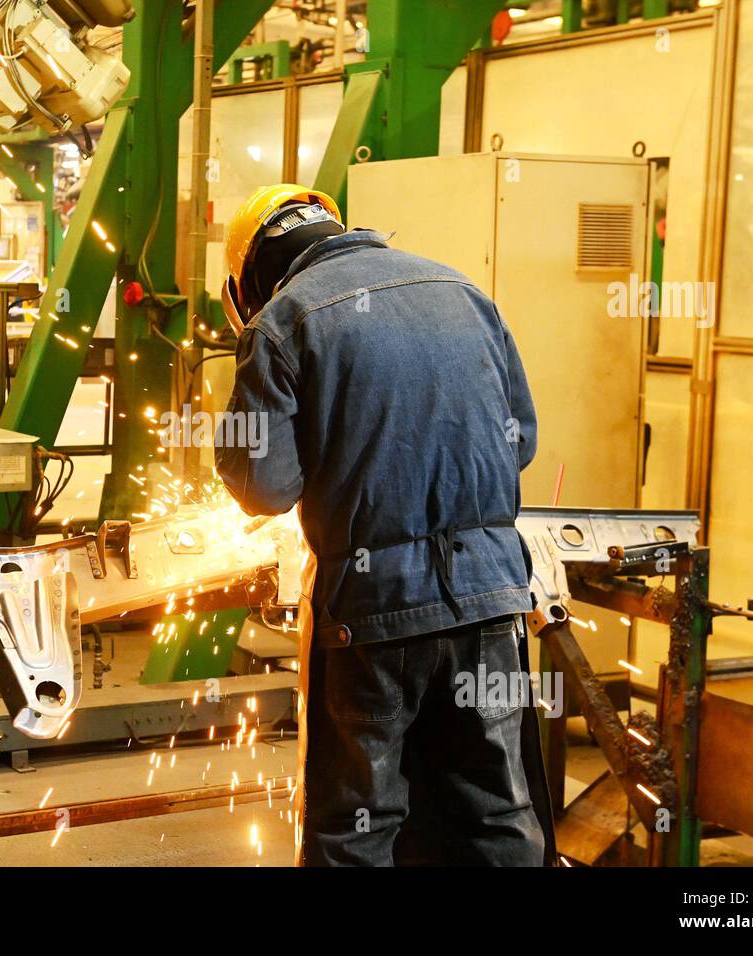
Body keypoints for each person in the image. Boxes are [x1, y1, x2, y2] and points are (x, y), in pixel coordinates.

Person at [215, 183, 553, 867]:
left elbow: (264, 490)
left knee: (358, 825)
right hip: (491, 602)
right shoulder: (463, 291)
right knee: (496, 813)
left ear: (249, 276)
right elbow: (521, 445)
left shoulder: (281, 322)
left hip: (375, 617)